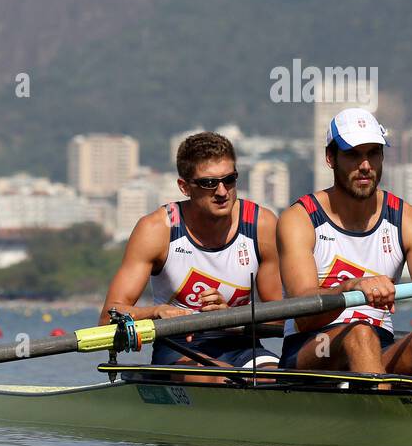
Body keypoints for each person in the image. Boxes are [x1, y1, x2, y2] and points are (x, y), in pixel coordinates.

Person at [276, 108, 412, 384]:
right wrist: (351, 287)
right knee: (360, 333)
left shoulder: (408, 220)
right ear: (330, 158)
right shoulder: (299, 219)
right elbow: (304, 316)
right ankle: (382, 420)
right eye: (353, 154)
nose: (366, 165)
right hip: (312, 348)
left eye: (373, 153)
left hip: (376, 349)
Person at [100, 132, 282, 379]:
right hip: (180, 349)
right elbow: (108, 317)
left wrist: (231, 317)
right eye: (208, 183)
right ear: (184, 187)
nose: (222, 192)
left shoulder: (262, 224)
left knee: (279, 378)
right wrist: (155, 313)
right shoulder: (156, 230)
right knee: (221, 377)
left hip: (243, 347)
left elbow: (280, 321)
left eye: (229, 180)